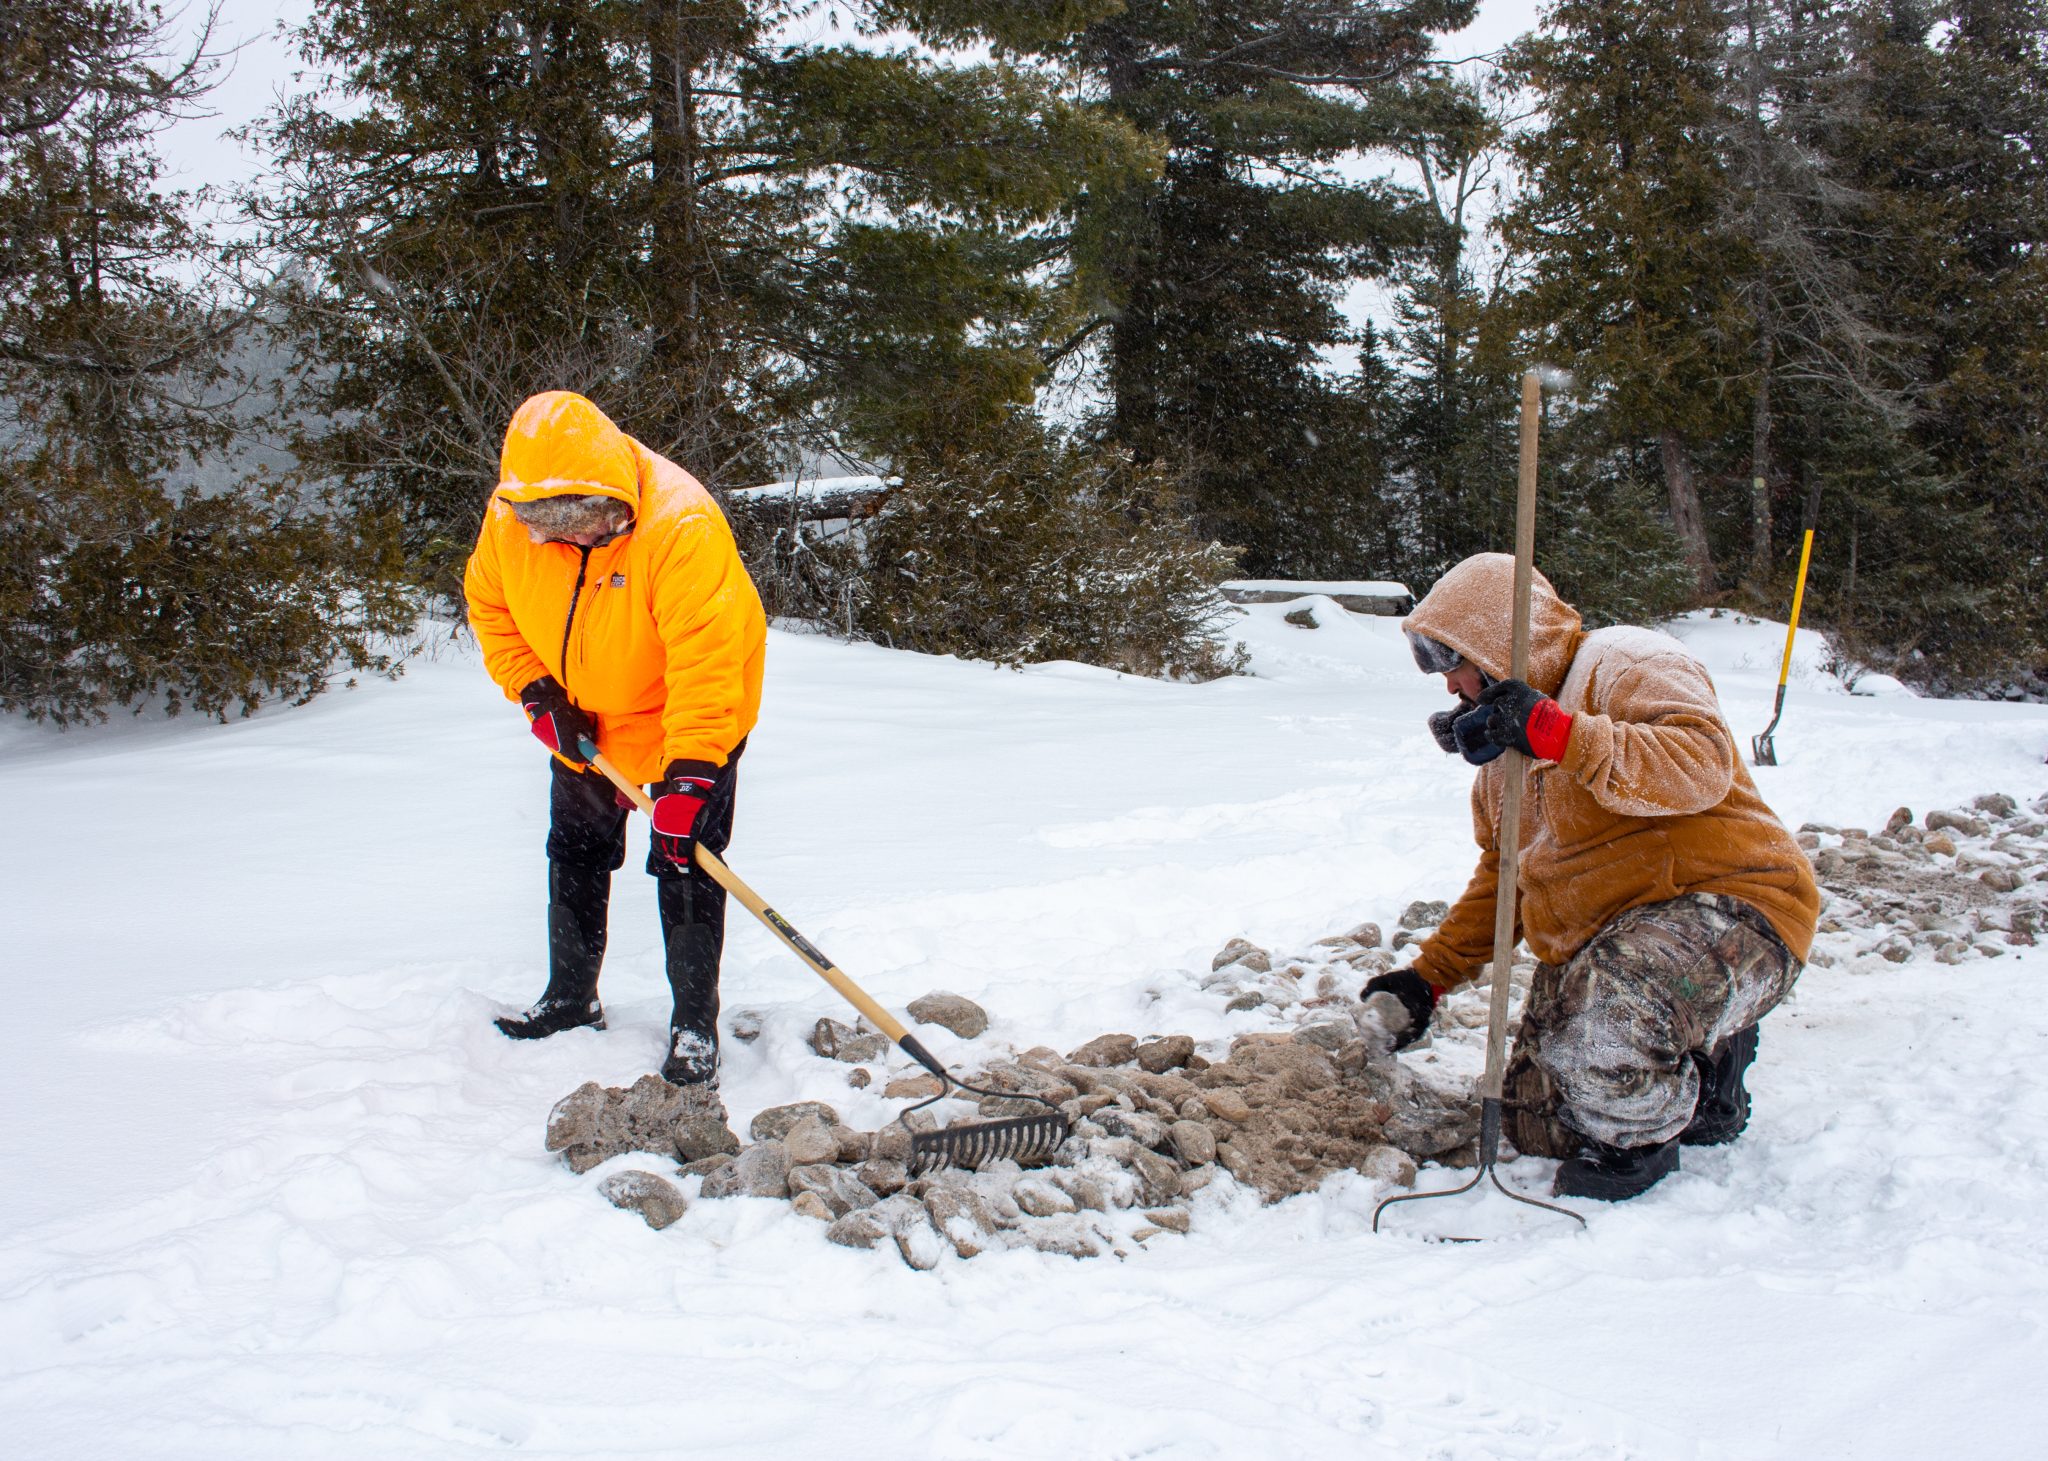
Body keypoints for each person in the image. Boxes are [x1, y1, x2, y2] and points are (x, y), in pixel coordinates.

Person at [1365, 553, 1820, 1200]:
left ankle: (1647, 1138)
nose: (1446, 685)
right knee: (1535, 1119)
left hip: (1733, 907)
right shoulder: (1503, 769)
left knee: (1601, 1038)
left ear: (1497, 646)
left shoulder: (1624, 663)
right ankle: (1699, 1058)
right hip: (1610, 940)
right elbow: (1505, 884)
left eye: (1449, 659)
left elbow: (1703, 762)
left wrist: (1559, 733)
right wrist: (1427, 979)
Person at [463, 390, 767, 1086]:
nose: (584, 537)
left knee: (686, 858)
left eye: (598, 523)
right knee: (575, 846)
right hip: (589, 720)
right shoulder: (515, 518)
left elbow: (708, 662)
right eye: (562, 527)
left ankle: (695, 1025)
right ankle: (570, 998)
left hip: (687, 714)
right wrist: (536, 691)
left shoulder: (680, 524)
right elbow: (490, 605)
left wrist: (689, 779)